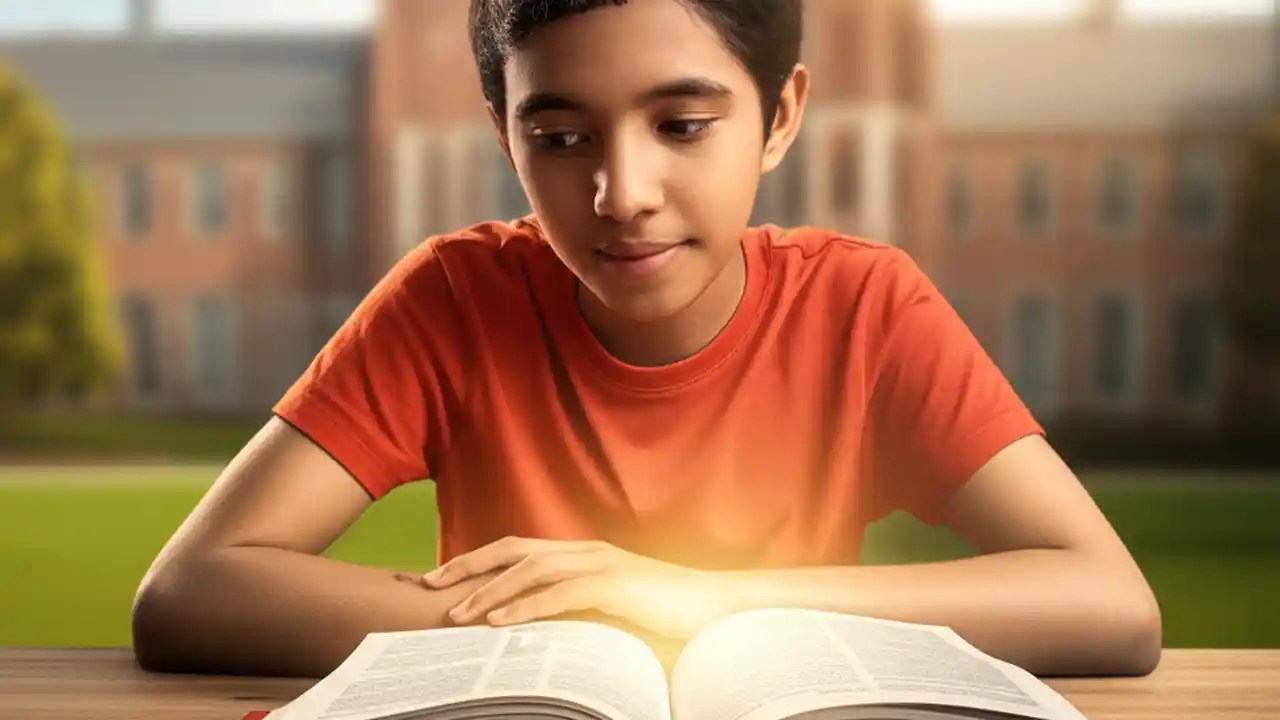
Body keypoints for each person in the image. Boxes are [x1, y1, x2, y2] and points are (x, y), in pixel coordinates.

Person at [132, 0, 1161, 679]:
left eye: (681, 126)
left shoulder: (864, 308)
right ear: (504, 137)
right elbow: (191, 592)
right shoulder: (453, 299)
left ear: (780, 116)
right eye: (559, 138)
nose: (620, 194)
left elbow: (1110, 606)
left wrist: (697, 598)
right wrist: (582, 618)